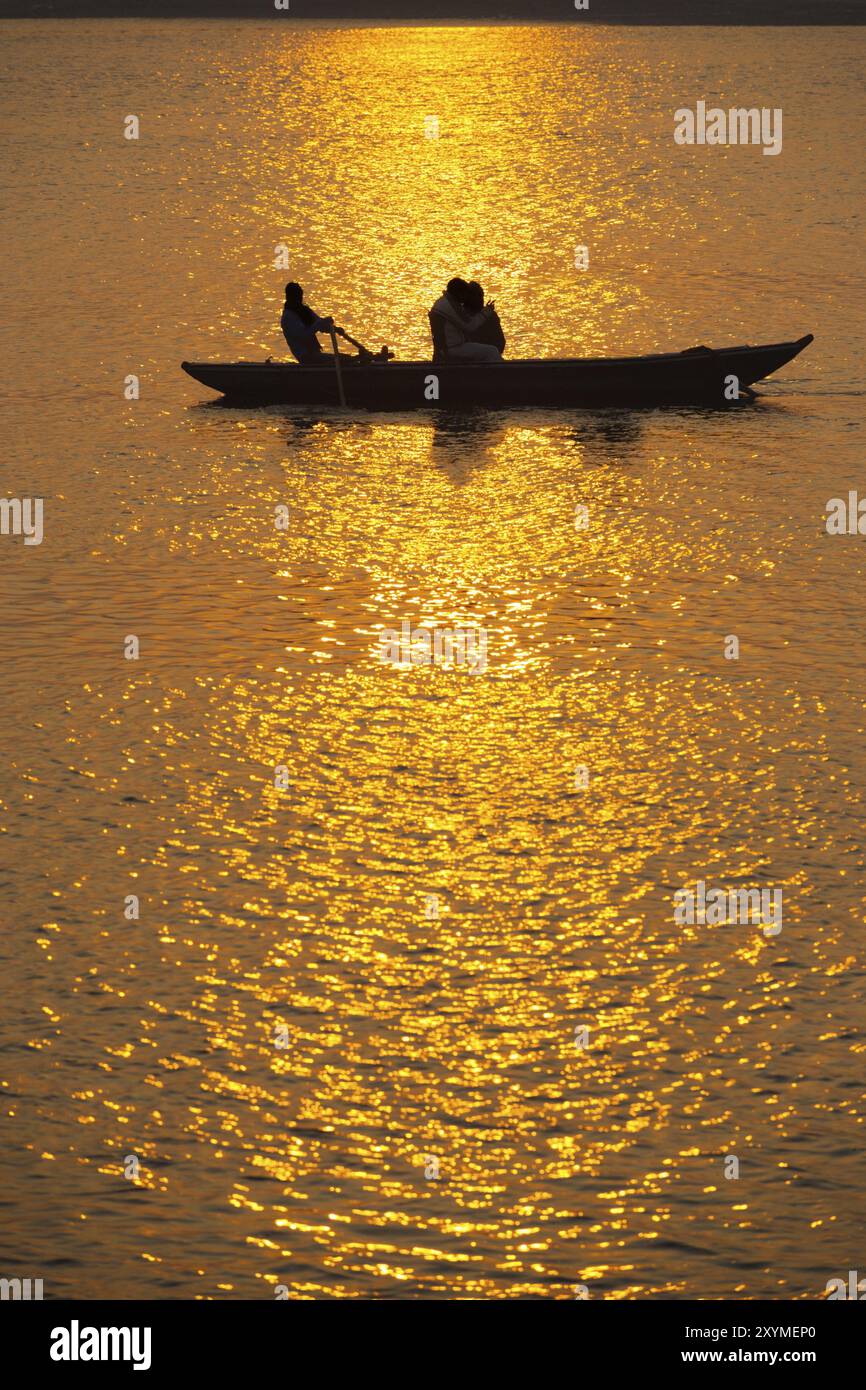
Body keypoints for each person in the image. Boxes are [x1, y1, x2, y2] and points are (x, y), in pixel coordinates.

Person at [428, 278, 503, 363]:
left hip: (446, 347)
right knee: (491, 351)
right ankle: (501, 374)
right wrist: (487, 311)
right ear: (459, 293)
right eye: (464, 293)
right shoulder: (451, 306)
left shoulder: (442, 302)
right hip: (451, 348)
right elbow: (470, 326)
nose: (465, 297)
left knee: (485, 351)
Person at [280, 282, 344, 364]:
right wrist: (321, 323)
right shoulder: (288, 317)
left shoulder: (305, 310)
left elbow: (320, 325)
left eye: (300, 295)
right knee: (340, 360)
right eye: (296, 296)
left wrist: (335, 329)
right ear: (289, 297)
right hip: (305, 357)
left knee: (345, 358)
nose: (299, 299)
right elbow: (304, 335)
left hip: (315, 353)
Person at [463, 281, 505, 354]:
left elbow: (500, 342)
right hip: (489, 356)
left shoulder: (459, 314)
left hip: (483, 356)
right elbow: (501, 343)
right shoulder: (490, 315)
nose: (481, 299)